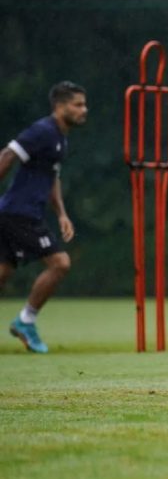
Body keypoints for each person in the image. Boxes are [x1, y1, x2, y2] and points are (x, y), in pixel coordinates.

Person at [1, 81, 88, 353]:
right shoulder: (43, 131)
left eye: (84, 104)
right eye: (77, 105)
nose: (84, 110)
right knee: (60, 263)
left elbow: (52, 178)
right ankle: (26, 321)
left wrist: (61, 214)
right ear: (60, 106)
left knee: (2, 272)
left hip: (16, 211)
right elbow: (7, 156)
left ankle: (25, 322)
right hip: (20, 213)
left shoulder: (60, 137)